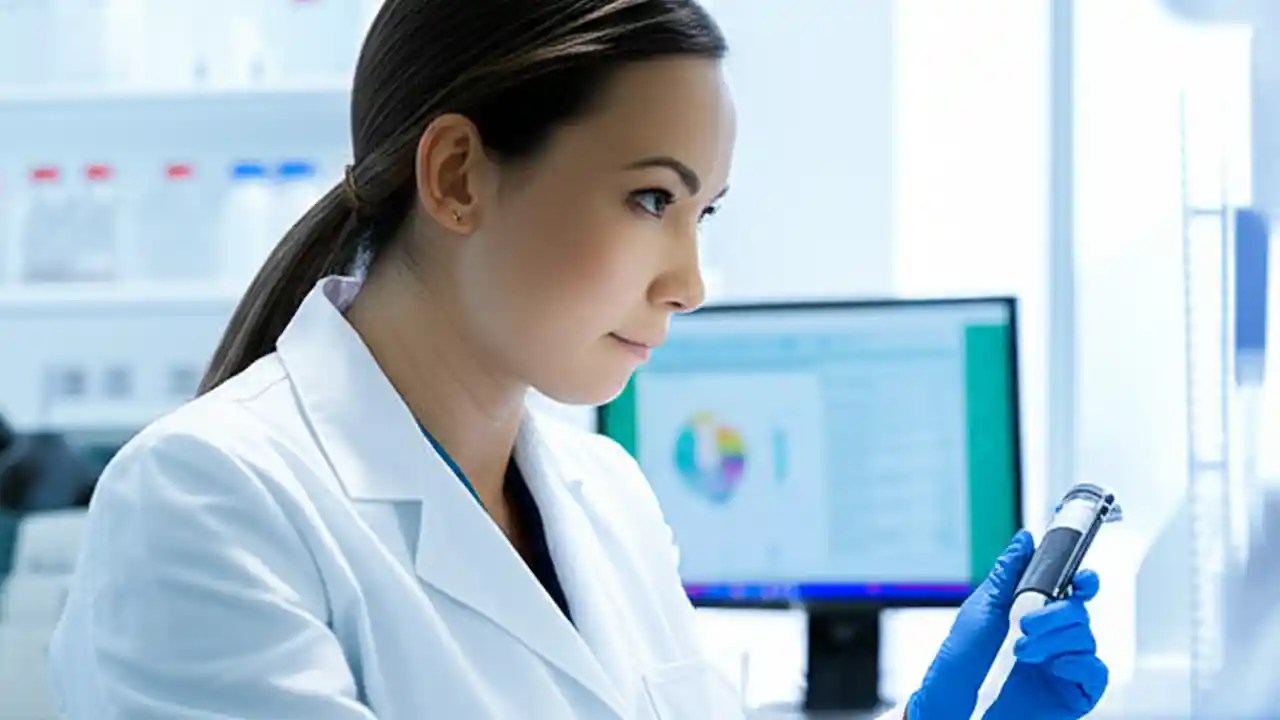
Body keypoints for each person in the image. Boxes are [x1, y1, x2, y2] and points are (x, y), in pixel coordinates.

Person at [47, 1, 1108, 718]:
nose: (689, 280)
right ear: (459, 175)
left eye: (704, 212)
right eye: (651, 198)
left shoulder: (605, 496)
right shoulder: (208, 501)